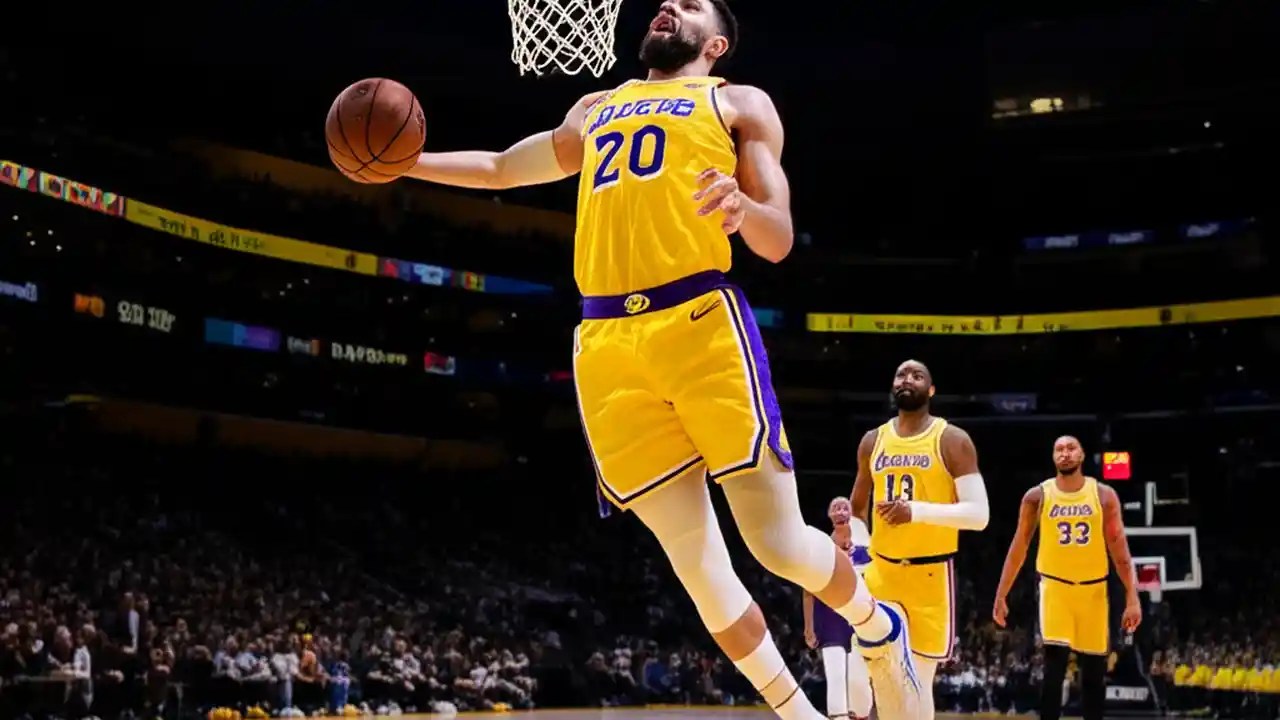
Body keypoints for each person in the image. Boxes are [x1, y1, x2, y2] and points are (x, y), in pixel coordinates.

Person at [403, 1, 921, 717]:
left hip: (700, 322)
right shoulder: (597, 104)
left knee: (773, 543)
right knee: (700, 571)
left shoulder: (738, 102)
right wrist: (405, 163)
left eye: (690, 4)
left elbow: (776, 239)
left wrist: (742, 206)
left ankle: (878, 626)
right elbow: (498, 168)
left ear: (716, 42)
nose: (668, 5)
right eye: (666, 0)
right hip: (607, 344)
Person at [851, 359, 990, 718]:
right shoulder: (873, 441)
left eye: (917, 375)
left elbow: (979, 515)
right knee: (875, 672)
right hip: (882, 572)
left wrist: (917, 511)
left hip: (930, 577)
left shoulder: (952, 440)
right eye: (900, 374)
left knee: (918, 680)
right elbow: (855, 510)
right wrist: (861, 556)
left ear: (930, 390)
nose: (906, 379)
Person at [992, 435, 1143, 720]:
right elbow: (1019, 548)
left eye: (1071, 448)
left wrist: (1132, 596)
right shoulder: (1037, 496)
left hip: (1094, 591)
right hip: (1055, 589)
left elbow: (1119, 549)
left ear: (1082, 455)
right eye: (1059, 449)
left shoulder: (1103, 495)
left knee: (1094, 676)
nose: (1065, 453)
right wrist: (1001, 594)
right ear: (1053, 457)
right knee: (1053, 668)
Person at [803, 497, 873, 720]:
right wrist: (809, 627)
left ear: (851, 513)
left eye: (845, 507)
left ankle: (860, 715)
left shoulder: (866, 550)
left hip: (859, 619)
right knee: (834, 676)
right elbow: (808, 591)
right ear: (829, 515)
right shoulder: (821, 547)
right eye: (836, 507)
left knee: (857, 679)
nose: (841, 511)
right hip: (830, 618)